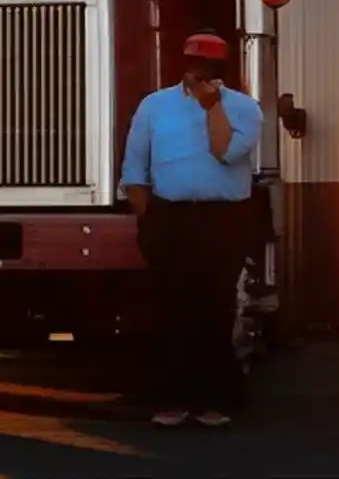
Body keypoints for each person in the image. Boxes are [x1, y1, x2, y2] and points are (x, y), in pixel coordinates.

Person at [121, 30, 262, 428]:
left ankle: (215, 400)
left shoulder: (245, 109)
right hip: (170, 217)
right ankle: (171, 398)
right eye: (195, 66)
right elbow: (135, 166)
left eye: (211, 68)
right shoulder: (154, 107)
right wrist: (147, 216)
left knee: (215, 308)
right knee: (171, 308)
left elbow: (227, 152)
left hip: (223, 219)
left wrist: (212, 107)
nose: (201, 74)